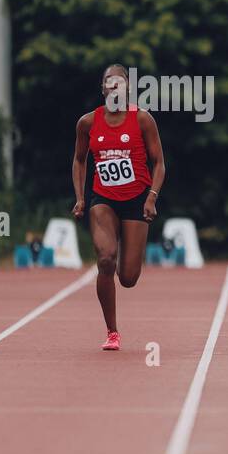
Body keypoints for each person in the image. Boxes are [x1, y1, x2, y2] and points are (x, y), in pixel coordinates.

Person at [71, 64, 165, 351]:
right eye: (109, 83)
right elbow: (79, 160)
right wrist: (81, 197)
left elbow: (159, 162)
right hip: (104, 200)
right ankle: (112, 332)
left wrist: (151, 197)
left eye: (120, 83)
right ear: (102, 89)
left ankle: (128, 255)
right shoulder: (87, 123)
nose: (114, 87)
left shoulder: (142, 120)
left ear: (127, 88)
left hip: (136, 200)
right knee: (106, 259)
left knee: (128, 278)